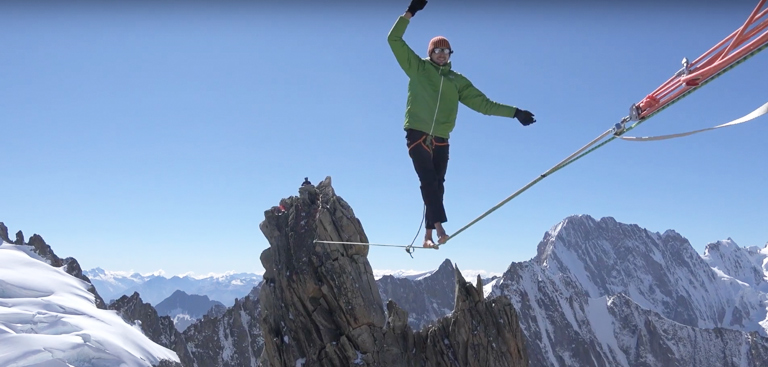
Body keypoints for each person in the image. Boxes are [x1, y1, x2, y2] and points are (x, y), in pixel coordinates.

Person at [388, 0, 537, 248]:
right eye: (437, 50)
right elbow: (394, 40)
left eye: (446, 51)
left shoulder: (458, 82)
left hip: (441, 139)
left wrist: (515, 112)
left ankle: (427, 237)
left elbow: (484, 105)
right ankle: (439, 228)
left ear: (450, 55)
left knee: (437, 186)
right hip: (417, 134)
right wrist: (410, 13)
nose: (442, 54)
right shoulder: (418, 68)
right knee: (428, 181)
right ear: (430, 53)